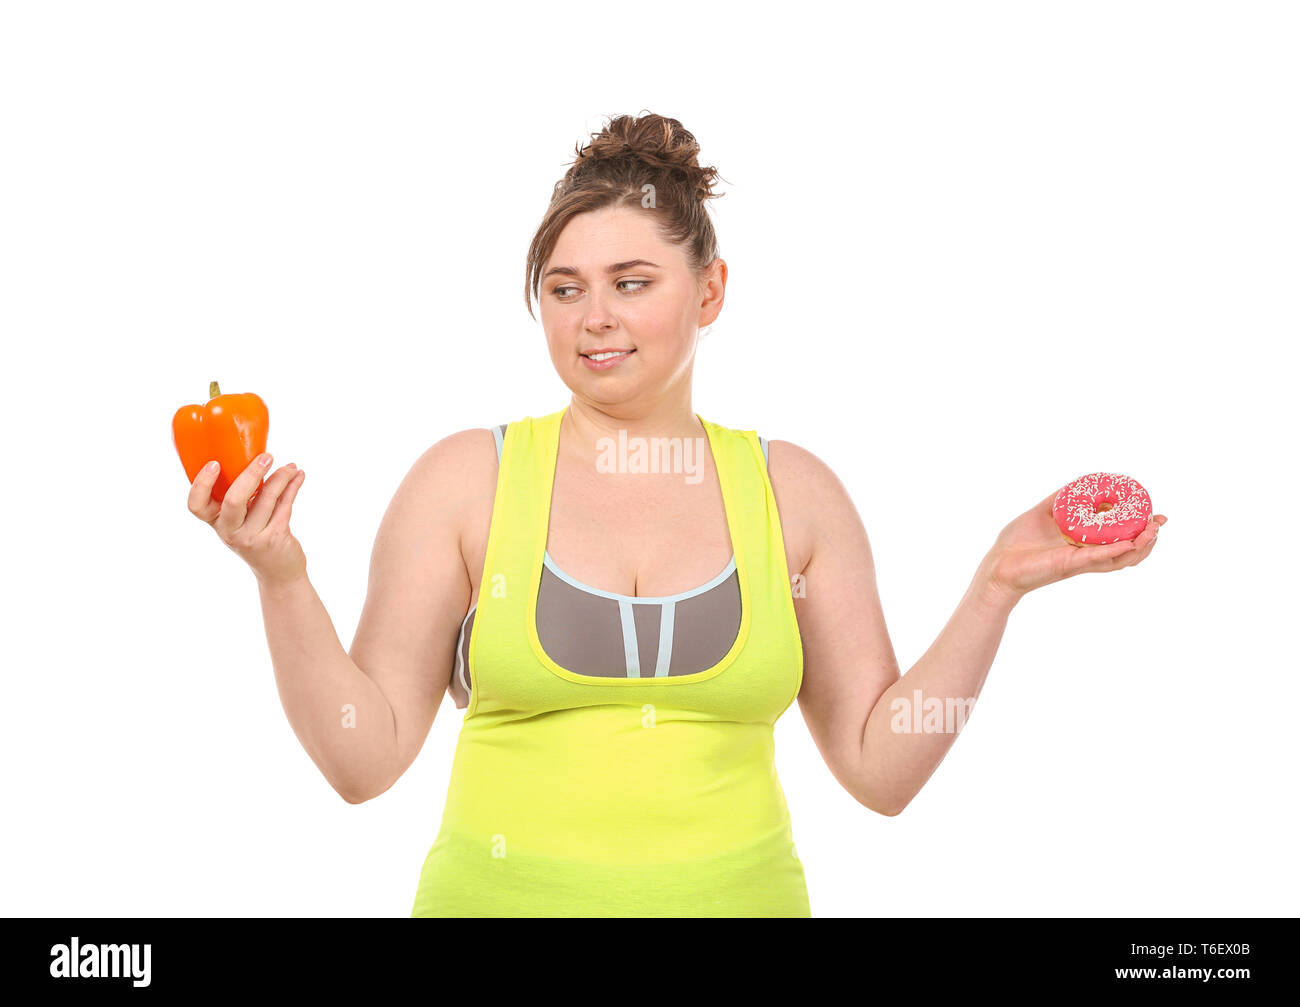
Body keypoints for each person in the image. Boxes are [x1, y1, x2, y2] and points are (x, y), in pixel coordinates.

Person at [184, 112, 1167, 917]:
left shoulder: (794, 494)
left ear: (711, 291)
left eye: (631, 283)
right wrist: (282, 577)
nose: (593, 318)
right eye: (563, 290)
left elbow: (880, 768)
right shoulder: (465, 481)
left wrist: (997, 581)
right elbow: (362, 757)